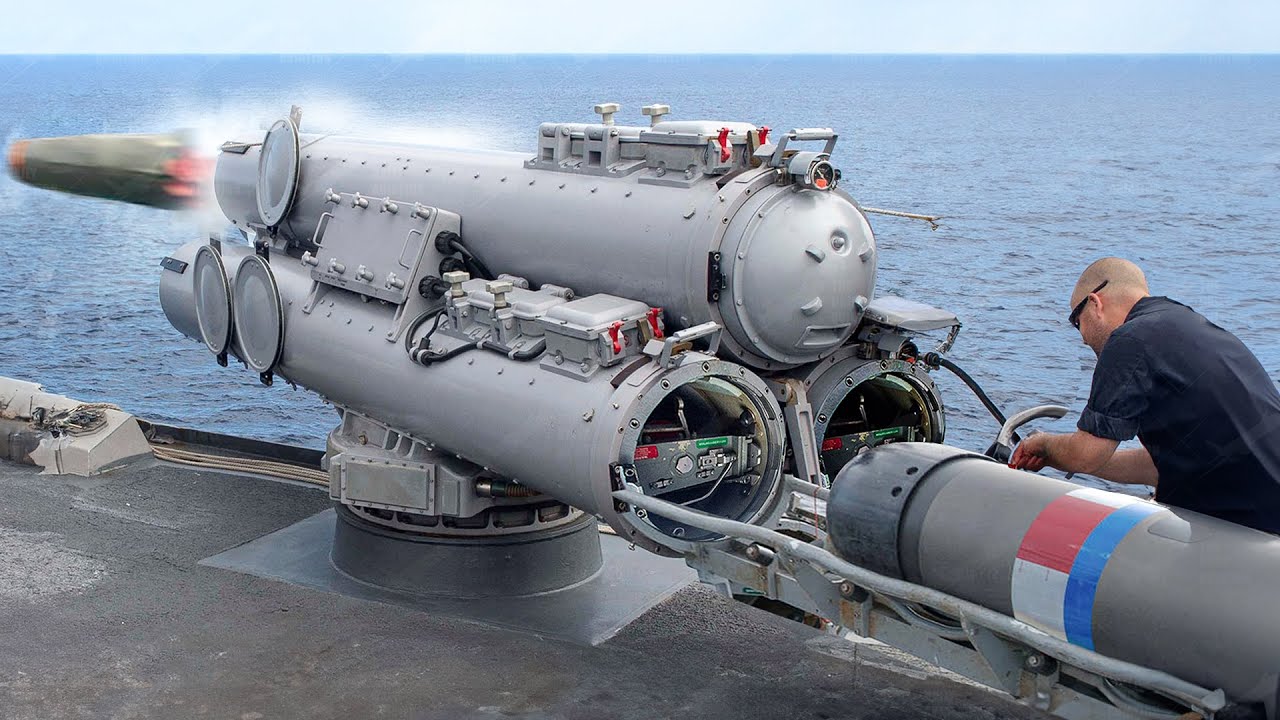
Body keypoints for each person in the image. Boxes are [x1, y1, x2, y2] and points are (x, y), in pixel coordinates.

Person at [1008, 257, 1280, 534]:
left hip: (1247, 529)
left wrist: (1043, 445)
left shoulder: (1129, 340)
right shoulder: (1188, 324)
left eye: (1077, 322)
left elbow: (1086, 454)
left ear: (1095, 303)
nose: (1083, 338)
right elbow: (1157, 466)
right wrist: (1057, 458)